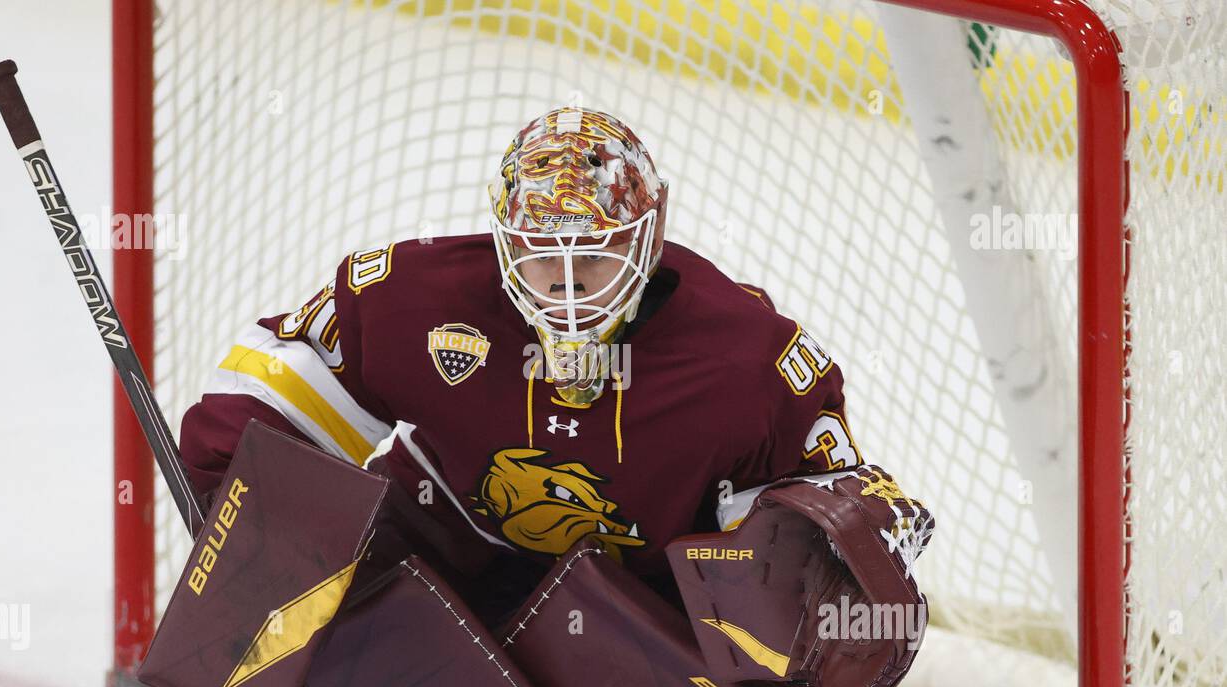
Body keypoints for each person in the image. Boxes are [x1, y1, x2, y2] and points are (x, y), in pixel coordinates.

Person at [179, 106, 864, 644]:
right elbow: (279, 390)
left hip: (648, 601)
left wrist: (814, 615)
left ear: (647, 241)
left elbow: (813, 532)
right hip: (442, 542)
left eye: (594, 257)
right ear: (505, 242)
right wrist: (244, 513)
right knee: (271, 659)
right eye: (542, 258)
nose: (566, 288)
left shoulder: (747, 361)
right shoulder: (418, 300)